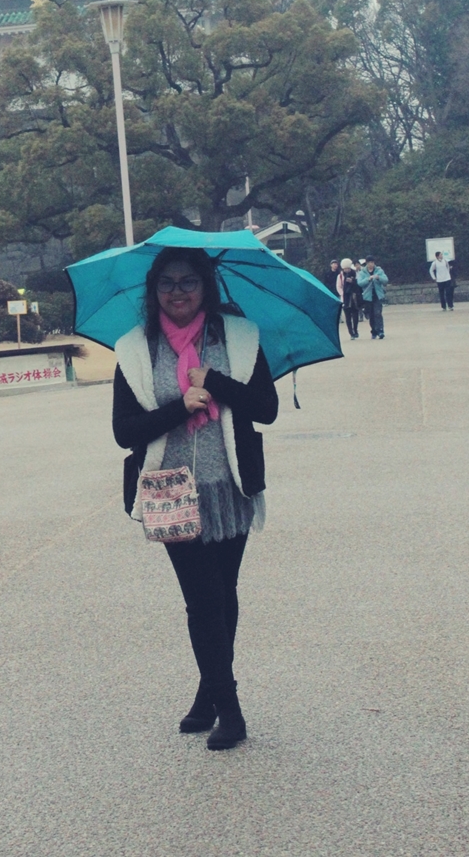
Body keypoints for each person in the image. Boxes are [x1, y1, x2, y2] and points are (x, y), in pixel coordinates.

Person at [112, 246, 278, 751]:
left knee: (223, 595)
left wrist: (218, 382)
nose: (177, 292)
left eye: (188, 282)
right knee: (201, 600)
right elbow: (124, 431)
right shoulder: (137, 349)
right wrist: (178, 406)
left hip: (229, 486)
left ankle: (208, 693)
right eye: (167, 283)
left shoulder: (239, 339)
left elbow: (267, 408)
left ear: (205, 285)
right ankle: (230, 708)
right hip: (170, 489)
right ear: (153, 290)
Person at [357, 258, 388, 339]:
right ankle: (374, 331)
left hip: (377, 295)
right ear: (367, 263)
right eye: (369, 262)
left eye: (372, 262)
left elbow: (385, 280)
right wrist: (368, 279)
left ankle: (380, 330)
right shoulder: (362, 272)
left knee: (378, 313)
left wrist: (379, 278)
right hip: (368, 297)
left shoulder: (379, 270)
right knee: (371, 315)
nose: (371, 264)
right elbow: (360, 283)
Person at [338, 258, 360, 338]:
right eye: (345, 268)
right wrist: (343, 294)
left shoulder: (355, 274)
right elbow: (339, 287)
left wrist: (353, 282)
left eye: (348, 268)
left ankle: (355, 329)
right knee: (347, 316)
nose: (347, 270)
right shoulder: (340, 276)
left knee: (355, 314)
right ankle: (351, 332)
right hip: (345, 298)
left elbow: (358, 284)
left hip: (354, 297)